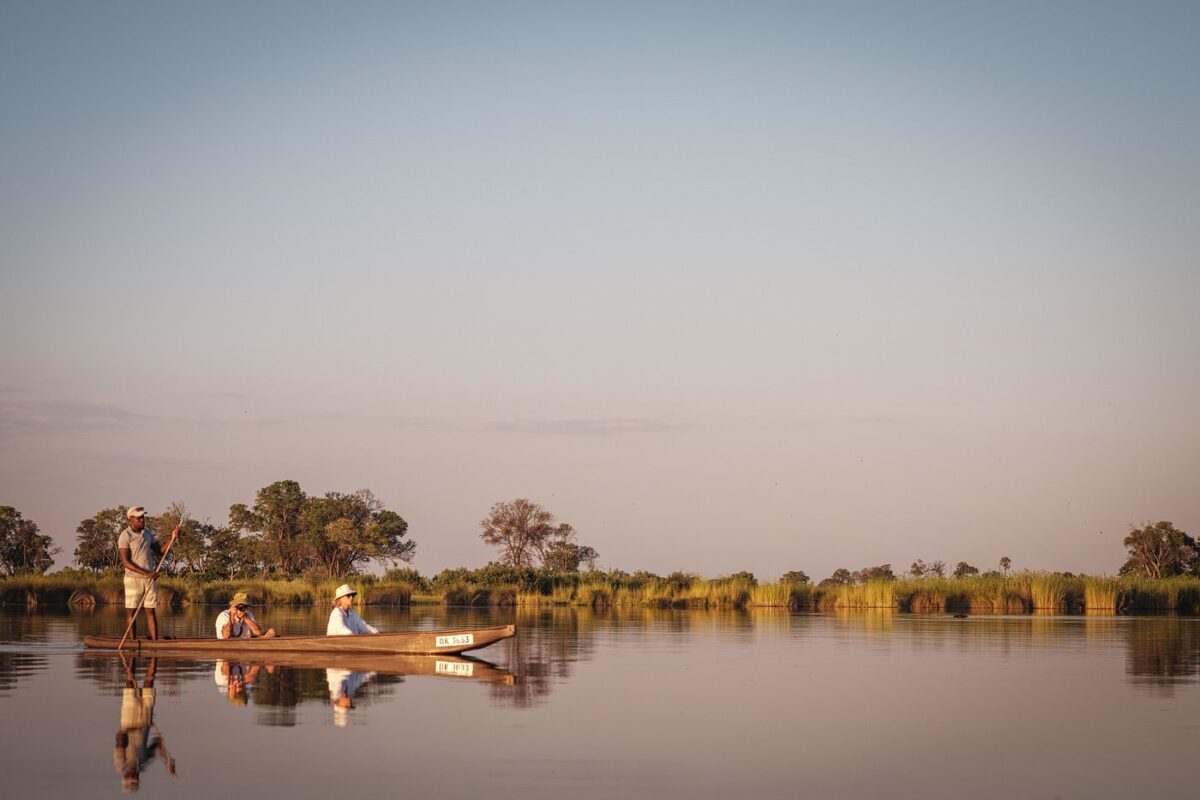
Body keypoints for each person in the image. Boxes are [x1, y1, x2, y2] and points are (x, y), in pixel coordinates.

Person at [113, 656, 176, 791]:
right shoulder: (142, 764)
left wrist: (132, 732)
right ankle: (154, 655)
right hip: (146, 718)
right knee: (150, 680)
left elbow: (119, 736)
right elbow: (157, 743)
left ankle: (132, 654)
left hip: (130, 718)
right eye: (136, 778)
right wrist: (167, 760)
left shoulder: (120, 763)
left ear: (125, 776)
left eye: (132, 777)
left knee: (130, 682)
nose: (134, 775)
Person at [118, 506, 179, 641]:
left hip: (149, 579)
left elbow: (161, 551)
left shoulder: (148, 534)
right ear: (130, 519)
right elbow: (126, 562)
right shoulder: (125, 536)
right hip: (133, 579)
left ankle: (154, 642)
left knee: (150, 611)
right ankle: (133, 643)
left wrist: (172, 538)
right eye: (138, 518)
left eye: (143, 517)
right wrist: (146, 573)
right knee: (131, 612)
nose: (142, 520)